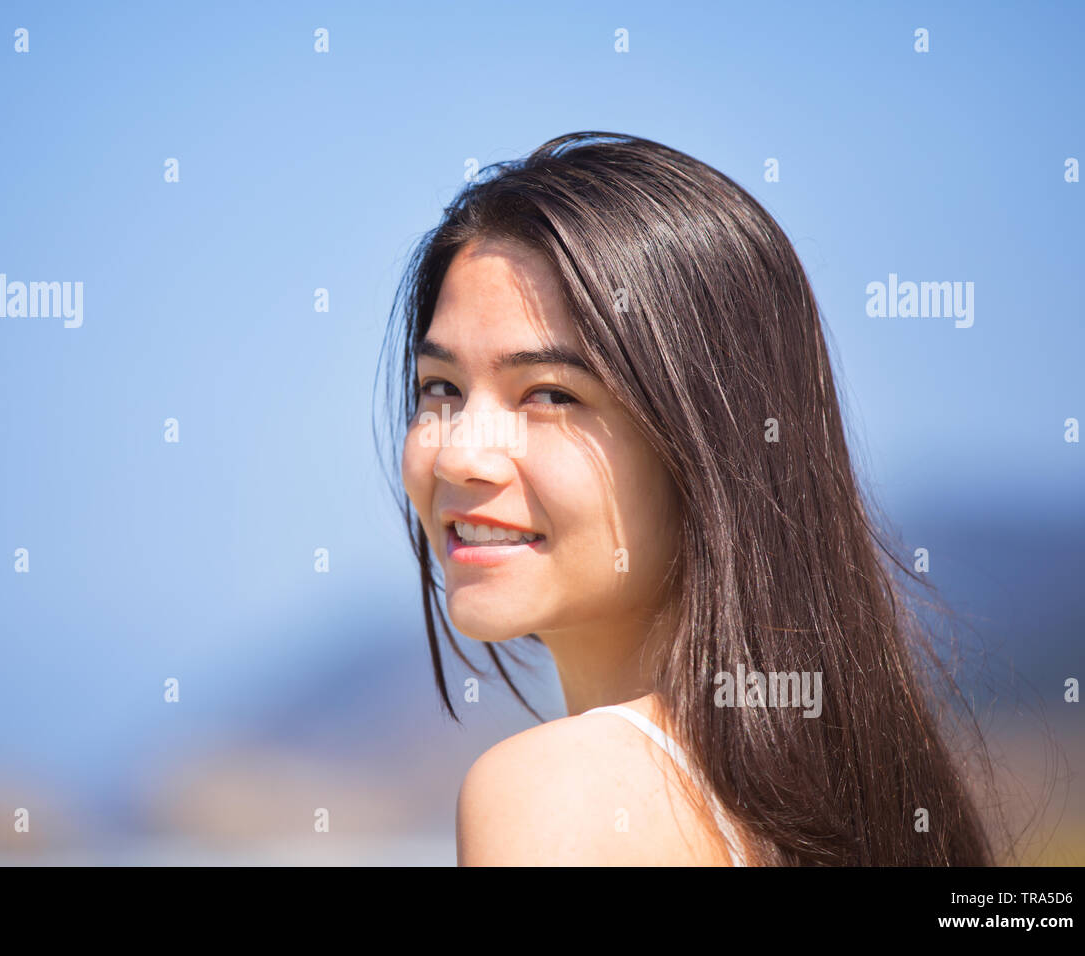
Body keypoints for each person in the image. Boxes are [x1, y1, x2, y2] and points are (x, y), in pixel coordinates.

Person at [376, 132, 997, 865]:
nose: (457, 452)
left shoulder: (553, 795)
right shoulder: (860, 794)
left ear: (712, 442)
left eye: (550, 393)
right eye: (440, 388)